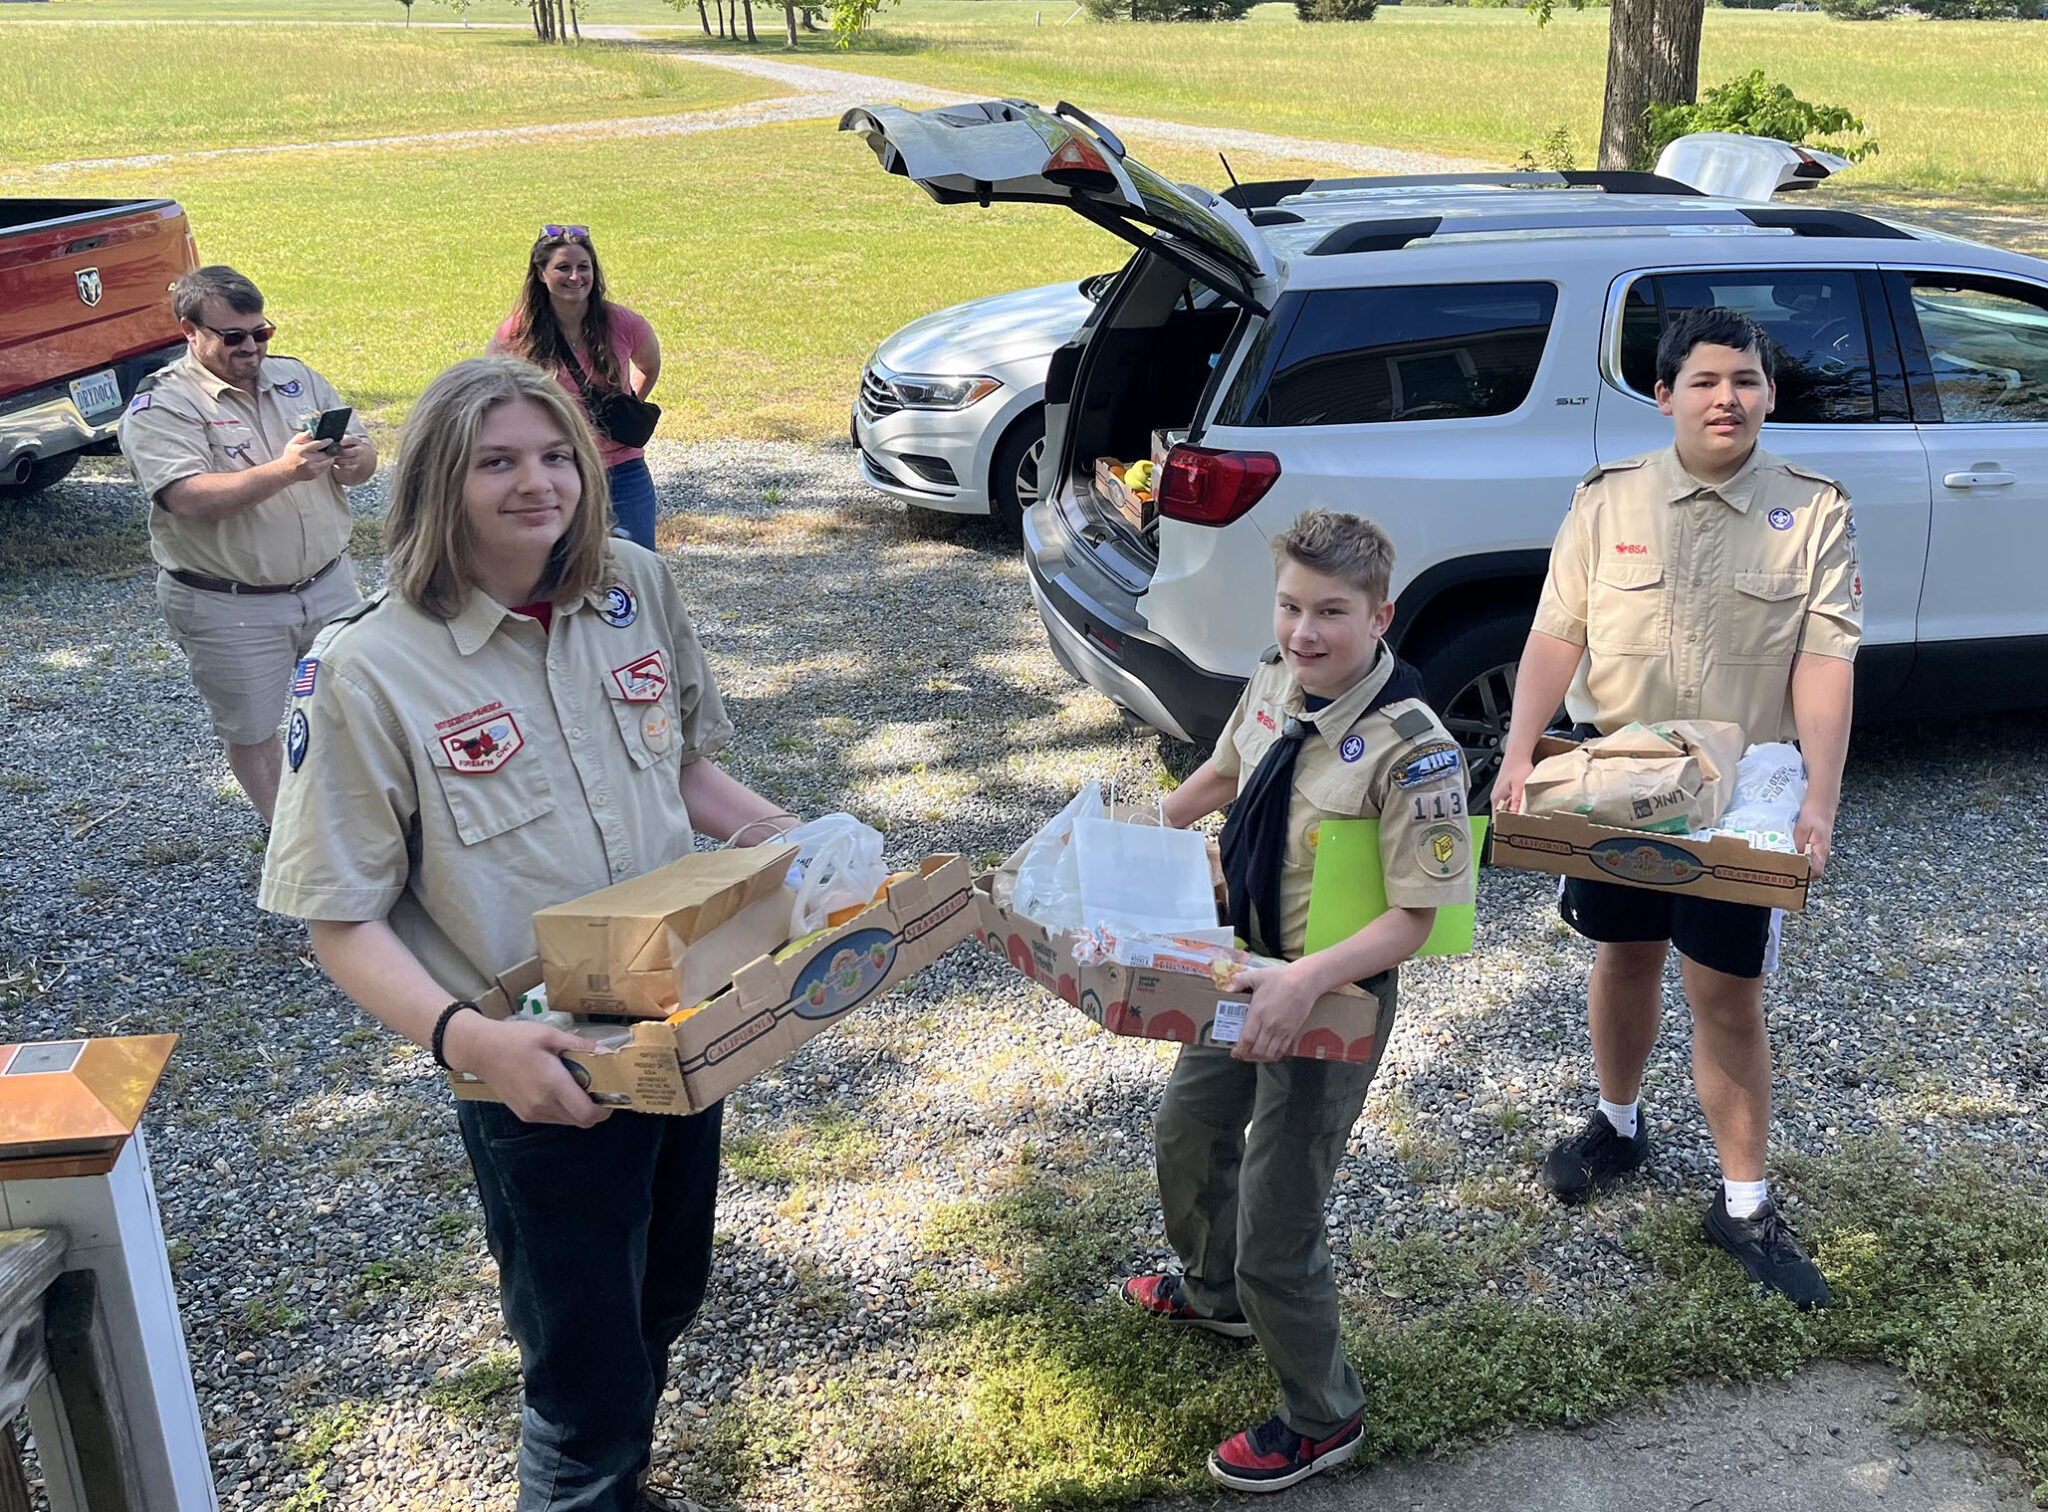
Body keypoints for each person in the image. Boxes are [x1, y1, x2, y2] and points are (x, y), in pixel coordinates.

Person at [258, 355, 796, 1512]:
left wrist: (788, 841)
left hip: (682, 1018)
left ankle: (624, 1487)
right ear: (438, 484)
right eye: (497, 462)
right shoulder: (367, 668)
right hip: (537, 1067)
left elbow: (685, 771)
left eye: (557, 456)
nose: (537, 484)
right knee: (579, 1370)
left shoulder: (633, 586)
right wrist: (473, 1043)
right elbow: (339, 920)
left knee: (662, 1296)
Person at [1492, 306, 1860, 1310]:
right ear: (1663, 396)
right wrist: (1519, 750)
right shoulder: (1607, 499)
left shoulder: (1811, 509)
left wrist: (1820, 801)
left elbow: (1825, 660)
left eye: (1744, 380)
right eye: (1703, 381)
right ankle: (1617, 1125)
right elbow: (1556, 633)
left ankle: (1743, 1204)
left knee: (1726, 993)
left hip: (1742, 798)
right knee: (1622, 955)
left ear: (1768, 394)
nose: (1725, 399)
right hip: (1619, 782)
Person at [1123, 509, 1474, 1494]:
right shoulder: (1276, 676)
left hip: (1330, 998)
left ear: (1379, 616)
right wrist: (1141, 832)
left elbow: (1418, 916)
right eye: (1289, 607)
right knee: (1190, 1134)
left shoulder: (1415, 749)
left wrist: (1306, 980)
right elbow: (1226, 770)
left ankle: (1323, 1415)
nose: (1303, 633)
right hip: (1239, 964)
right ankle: (1216, 1294)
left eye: (1330, 613)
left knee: (1279, 1215)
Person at [118, 264, 375, 825]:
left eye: (262, 332)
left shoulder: (297, 378)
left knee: (357, 710)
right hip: (228, 603)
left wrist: (358, 459)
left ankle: (352, 825)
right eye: (233, 336)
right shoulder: (164, 403)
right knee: (255, 730)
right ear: (190, 332)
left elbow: (363, 464)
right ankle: (290, 843)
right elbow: (185, 497)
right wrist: (284, 471)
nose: (251, 347)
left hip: (329, 585)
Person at [491, 225, 663, 552]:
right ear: (541, 273)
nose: (575, 276)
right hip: (551, 472)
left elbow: (649, 365)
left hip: (621, 471)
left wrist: (622, 410)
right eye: (563, 267)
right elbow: (490, 391)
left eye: (584, 267)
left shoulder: (623, 323)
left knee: (635, 566)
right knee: (555, 567)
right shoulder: (516, 334)